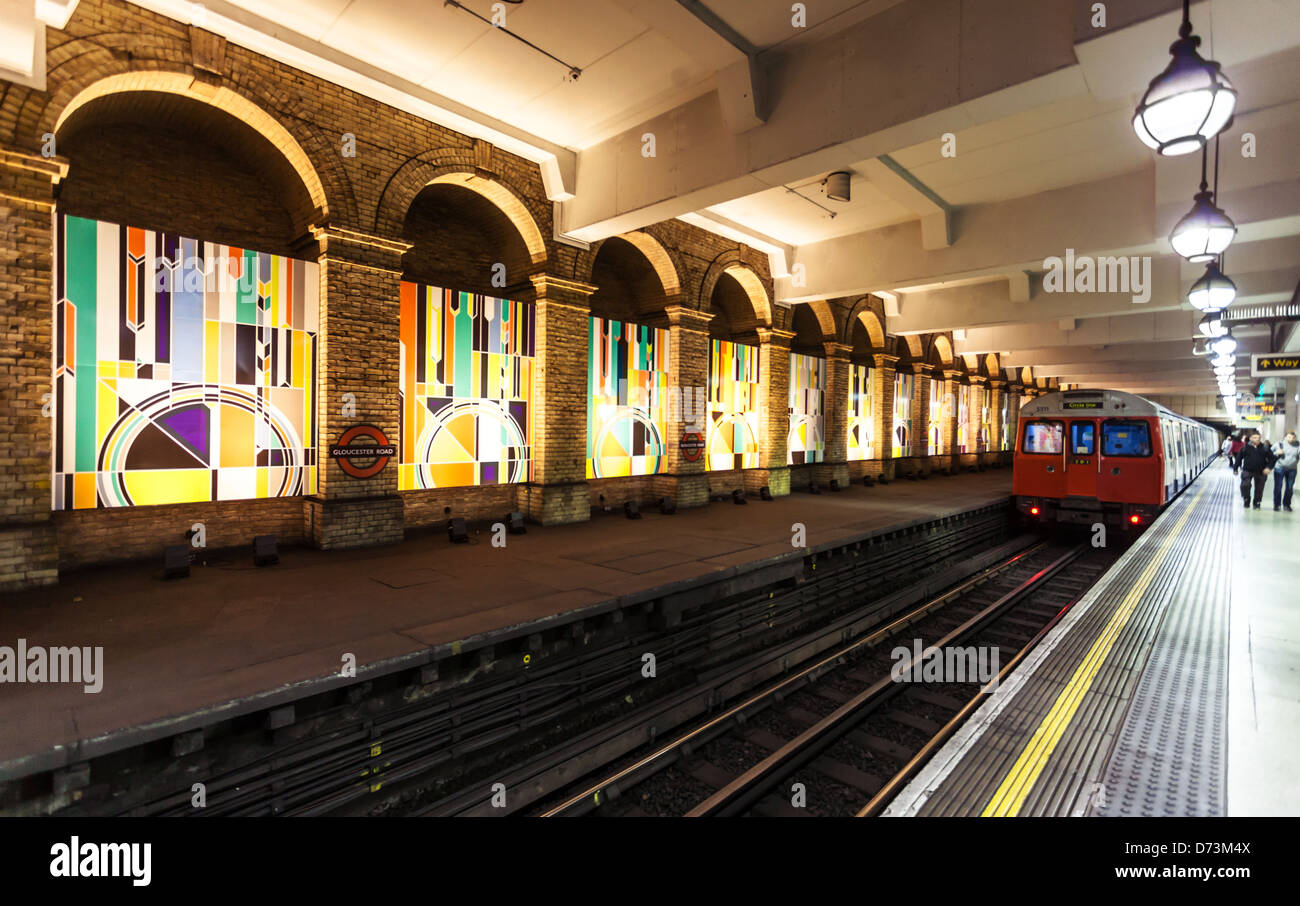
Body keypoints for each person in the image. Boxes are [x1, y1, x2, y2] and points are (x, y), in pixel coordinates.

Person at [1238, 431, 1276, 509]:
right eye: (1255, 438)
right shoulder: (1245, 448)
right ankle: (1246, 498)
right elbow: (1239, 458)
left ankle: (1257, 502)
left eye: (1259, 438)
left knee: (1259, 488)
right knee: (1245, 485)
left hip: (1261, 471)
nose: (1257, 439)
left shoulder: (1265, 448)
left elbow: (1272, 459)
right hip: (1247, 470)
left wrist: (1268, 468)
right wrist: (1235, 468)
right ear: (1251, 438)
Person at [1272, 430, 1299, 512]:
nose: (1291, 439)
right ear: (1285, 437)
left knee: (1290, 488)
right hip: (1279, 468)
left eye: (1293, 437)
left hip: (1292, 469)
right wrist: (1276, 452)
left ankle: (1287, 505)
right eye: (1289, 437)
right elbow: (1269, 453)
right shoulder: (1279, 444)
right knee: (1278, 486)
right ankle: (1277, 505)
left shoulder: (1298, 445)